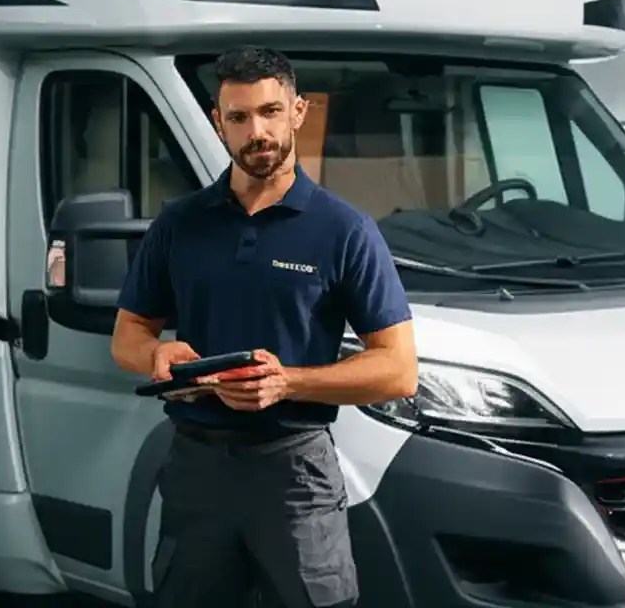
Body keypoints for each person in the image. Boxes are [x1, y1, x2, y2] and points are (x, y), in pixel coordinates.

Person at [109, 45, 418, 608]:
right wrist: (156, 355)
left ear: (297, 112)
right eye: (239, 117)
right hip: (196, 468)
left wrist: (288, 382)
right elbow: (127, 335)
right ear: (218, 122)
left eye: (271, 111)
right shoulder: (179, 224)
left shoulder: (344, 230)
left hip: (294, 471)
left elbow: (398, 370)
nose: (257, 132)